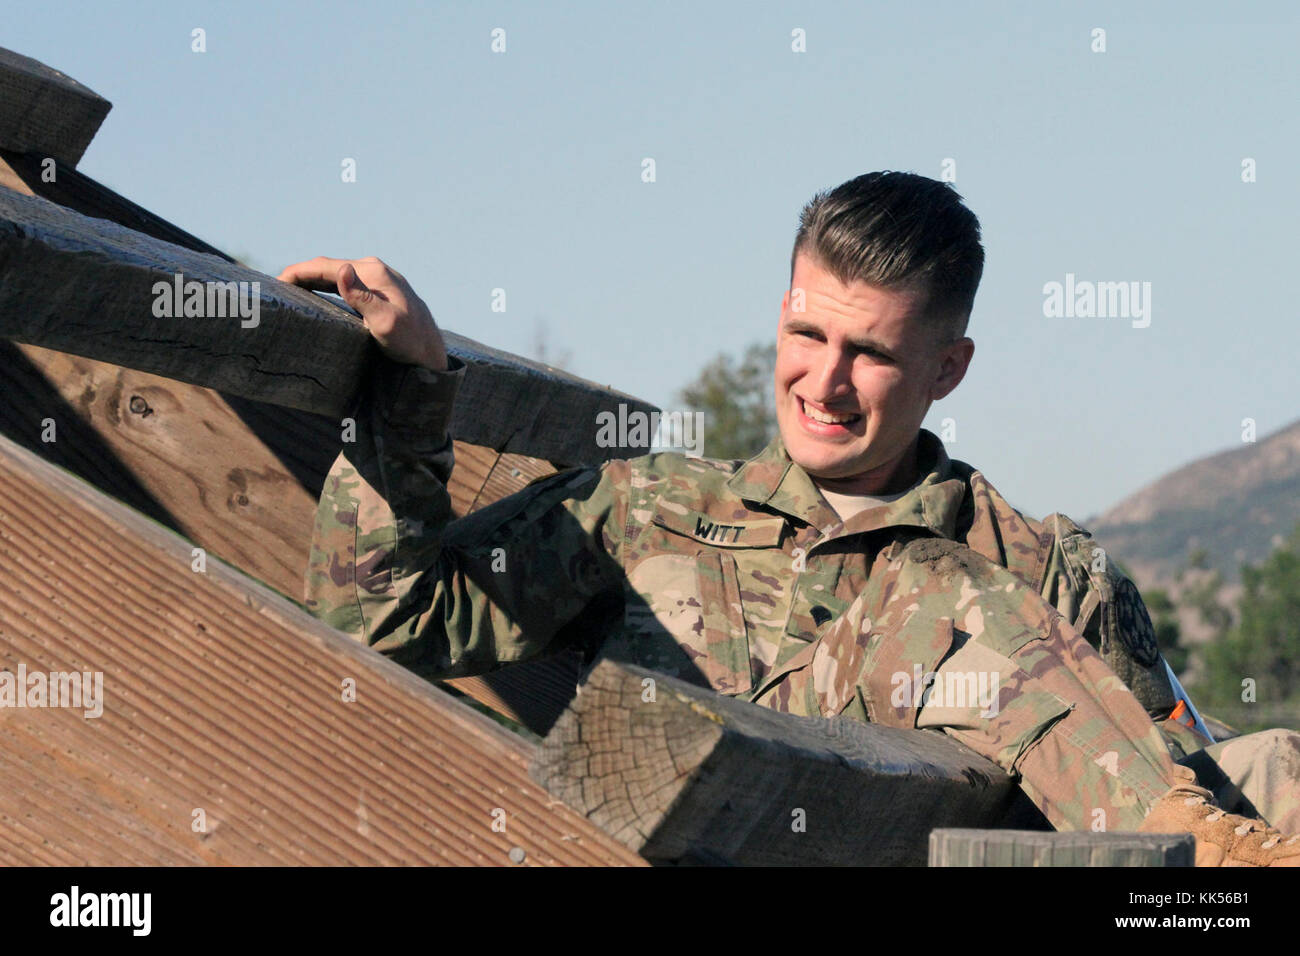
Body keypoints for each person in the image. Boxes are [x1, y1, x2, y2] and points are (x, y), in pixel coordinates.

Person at [279, 171, 1299, 865]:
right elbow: (382, 619)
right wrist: (412, 386)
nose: (825, 380)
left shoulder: (1047, 573)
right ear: (781, 312)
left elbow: (1159, 798)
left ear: (948, 367)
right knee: (936, 586)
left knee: (1274, 765)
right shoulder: (648, 510)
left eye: (873, 354)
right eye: (808, 332)